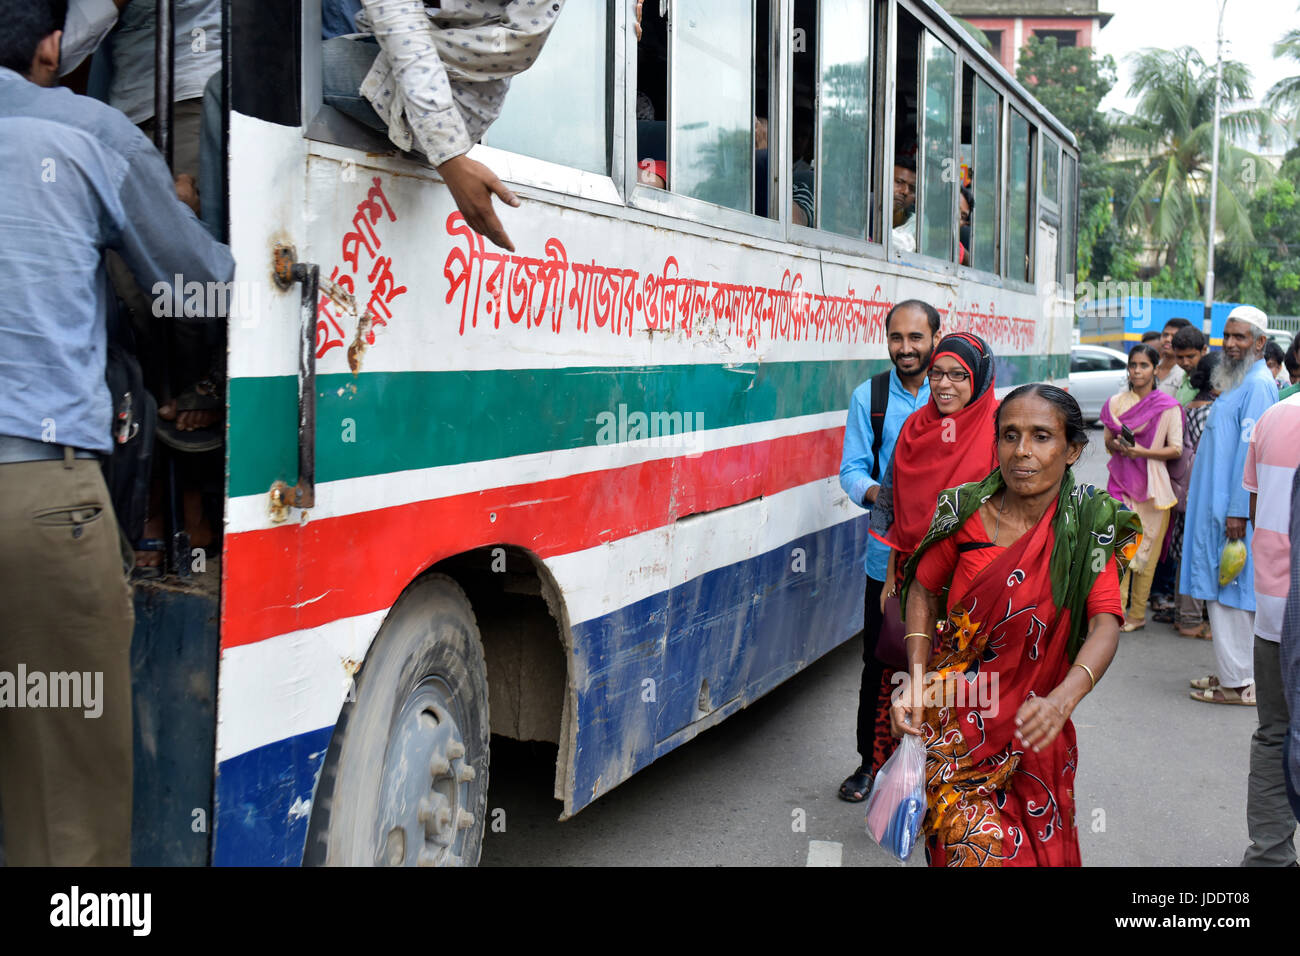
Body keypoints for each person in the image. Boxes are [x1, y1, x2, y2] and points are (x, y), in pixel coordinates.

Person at [0, 0, 235, 864]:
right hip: (36, 503)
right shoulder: (85, 133)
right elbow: (202, 280)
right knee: (68, 819)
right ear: (54, 46)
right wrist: (167, 209)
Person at [892, 384, 1140, 867]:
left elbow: (1106, 622)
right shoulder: (963, 512)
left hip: (1037, 729)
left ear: (1071, 450)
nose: (1022, 451)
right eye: (1010, 435)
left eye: (1041, 436)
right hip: (956, 722)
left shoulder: (1088, 521)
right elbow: (921, 589)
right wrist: (918, 680)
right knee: (970, 850)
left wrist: (1061, 702)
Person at [321, 0, 566, 253]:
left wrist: (449, 154)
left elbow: (517, 45)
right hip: (402, 60)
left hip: (452, 100)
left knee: (295, 70)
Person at [867, 333, 999, 776]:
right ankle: (898, 781)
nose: (945, 384)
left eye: (959, 376)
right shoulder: (915, 429)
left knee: (962, 687)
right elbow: (898, 508)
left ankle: (954, 782)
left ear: (978, 379)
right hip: (913, 578)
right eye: (937, 373)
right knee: (907, 678)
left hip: (973, 580)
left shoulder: (1000, 430)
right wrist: (891, 576)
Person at [836, 300, 938, 802]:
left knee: (942, 665)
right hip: (887, 561)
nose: (905, 349)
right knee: (880, 663)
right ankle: (867, 764)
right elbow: (851, 472)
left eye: (916, 338)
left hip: (945, 561)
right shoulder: (870, 397)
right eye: (896, 338)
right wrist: (885, 495)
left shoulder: (953, 392)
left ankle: (933, 769)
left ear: (935, 339)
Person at [1182, 306, 1279, 705]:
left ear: (1259, 343)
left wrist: (1240, 510)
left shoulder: (1257, 385)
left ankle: (1238, 684)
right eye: (1229, 336)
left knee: (1230, 591)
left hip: (1231, 513)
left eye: (1242, 337)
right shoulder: (1240, 381)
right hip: (1218, 508)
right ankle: (1233, 671)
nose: (1233, 344)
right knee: (1222, 591)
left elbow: (1250, 455)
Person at [1241, 390, 1300, 864]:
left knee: (1275, 732)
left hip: (1276, 611)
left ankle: (1270, 856)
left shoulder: (1274, 417)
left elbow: (1259, 513)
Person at [1101, 343, 1183, 633]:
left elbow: (1175, 449)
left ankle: (1137, 614)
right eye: (1133, 365)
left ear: (1154, 368)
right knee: (1119, 550)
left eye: (1143, 365)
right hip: (1121, 483)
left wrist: (1142, 452)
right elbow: (1107, 442)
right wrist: (1119, 445)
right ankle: (1117, 612)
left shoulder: (1168, 406)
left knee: (1146, 555)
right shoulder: (1115, 403)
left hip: (1155, 488)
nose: (1137, 370)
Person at [1171, 351, 1221, 639]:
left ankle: (1183, 614)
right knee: (1202, 553)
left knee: (1187, 552)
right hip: (1203, 492)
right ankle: (1191, 619)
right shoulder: (1213, 411)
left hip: (1184, 490)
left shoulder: (1189, 406)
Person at [1171, 325, 1208, 406]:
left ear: (1204, 350)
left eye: (1190, 356)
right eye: (1180, 357)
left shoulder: (1209, 381)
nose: (1185, 362)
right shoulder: (1183, 377)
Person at [1154, 317, 1191, 397]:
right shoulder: (1151, 368)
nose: (1167, 339)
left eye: (1174, 336)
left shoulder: (1185, 374)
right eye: (1165, 335)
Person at [890, 156, 917, 253]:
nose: (905, 192)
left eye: (912, 188)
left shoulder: (916, 223)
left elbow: (905, 247)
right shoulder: (866, 209)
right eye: (899, 182)